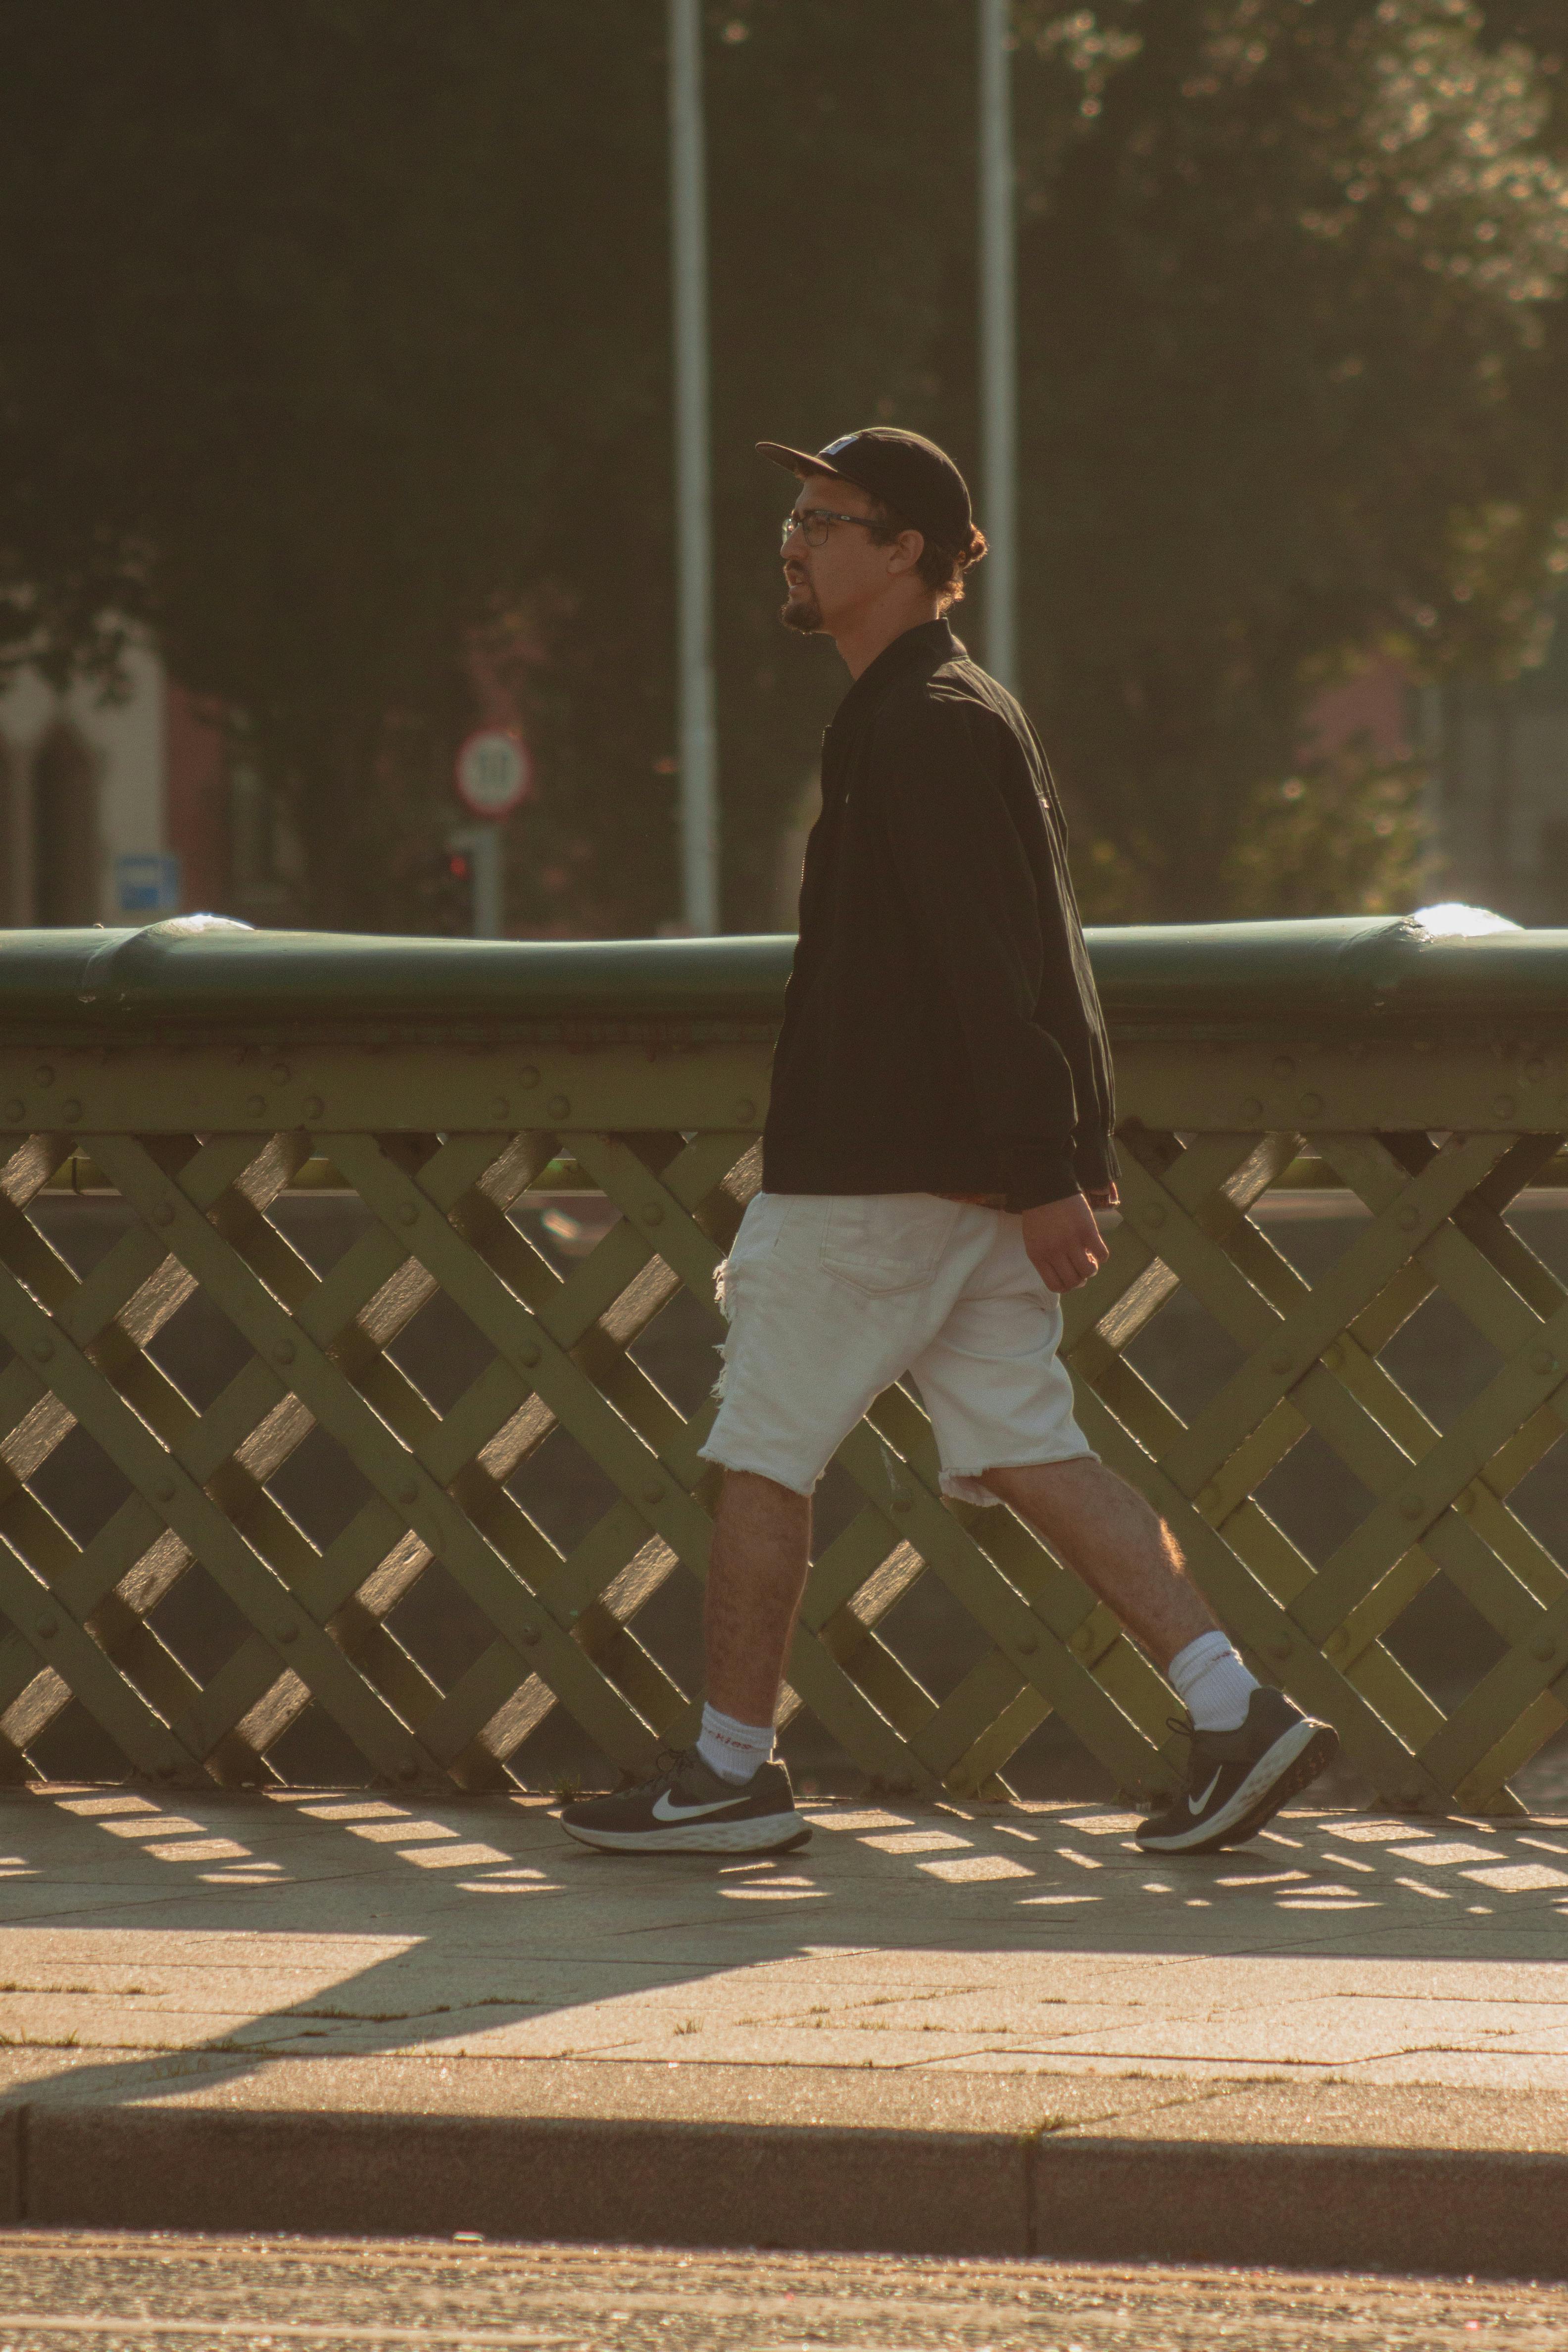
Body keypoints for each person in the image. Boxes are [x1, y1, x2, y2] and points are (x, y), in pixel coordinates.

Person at [561, 427, 1336, 1861]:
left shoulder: (919, 725)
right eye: (794, 518)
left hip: (883, 1169)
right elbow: (1041, 955)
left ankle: (730, 1775)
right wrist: (1052, 1160)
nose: (793, 541)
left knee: (763, 1454)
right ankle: (1235, 1709)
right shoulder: (950, 708)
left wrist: (1047, 1170)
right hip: (964, 1170)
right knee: (1030, 1448)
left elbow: (992, 963)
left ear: (905, 549)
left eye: (824, 520)